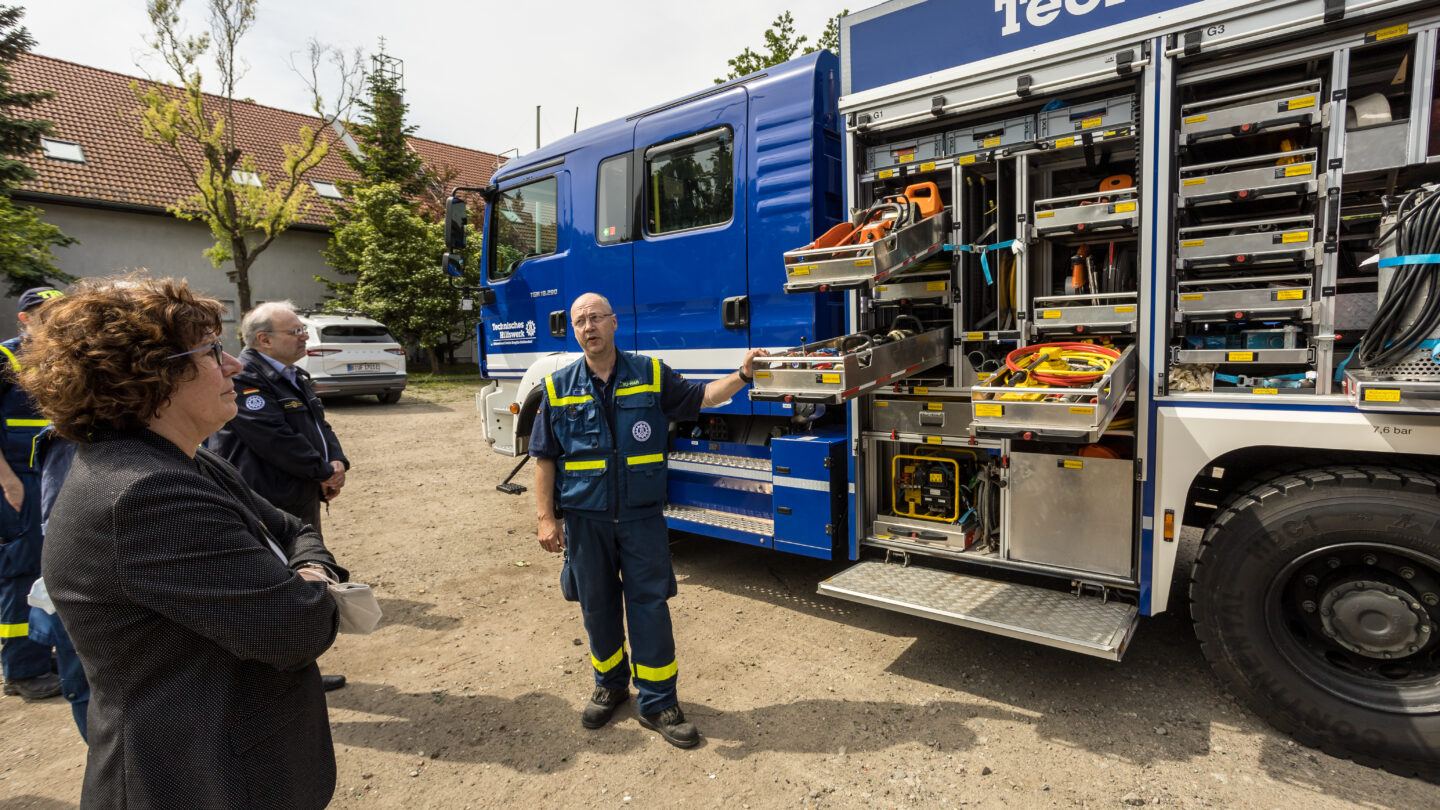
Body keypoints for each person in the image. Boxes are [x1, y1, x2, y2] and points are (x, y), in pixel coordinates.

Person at [19, 277, 346, 810]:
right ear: (150, 376)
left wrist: (304, 570)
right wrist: (311, 580)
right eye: (214, 351)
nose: (235, 365)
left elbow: (292, 528)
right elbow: (298, 627)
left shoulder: (184, 460)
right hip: (198, 780)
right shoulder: (146, 492)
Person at [530, 292, 765, 748]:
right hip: (585, 521)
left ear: (614, 323)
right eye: (579, 321)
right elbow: (544, 459)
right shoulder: (557, 387)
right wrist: (545, 519)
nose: (588, 326)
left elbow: (703, 397)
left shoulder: (651, 373)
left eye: (596, 317)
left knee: (650, 608)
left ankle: (658, 703)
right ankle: (611, 685)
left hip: (641, 520)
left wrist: (742, 375)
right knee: (596, 607)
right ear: (574, 331)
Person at [206, 301, 350, 692]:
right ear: (265, 339)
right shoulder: (247, 376)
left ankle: (298, 669)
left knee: (301, 573)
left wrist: (337, 463)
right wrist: (323, 471)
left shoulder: (293, 375)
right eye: (297, 331)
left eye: (303, 329)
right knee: (273, 585)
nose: (305, 336)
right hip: (268, 496)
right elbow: (273, 439)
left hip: (299, 489)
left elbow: (320, 426)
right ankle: (280, 676)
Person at [0, 286, 66, 702]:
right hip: (18, 480)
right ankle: (23, 670)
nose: (57, 317)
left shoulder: (58, 357)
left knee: (49, 568)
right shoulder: (6, 357)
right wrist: (6, 481)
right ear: (25, 319)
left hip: (46, 475)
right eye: (48, 312)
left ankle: (39, 655)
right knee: (21, 569)